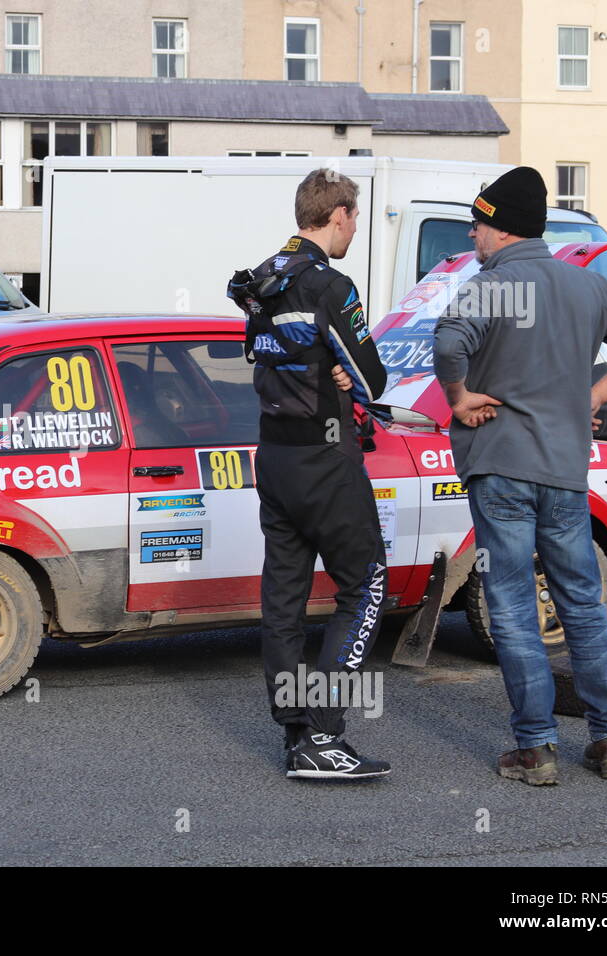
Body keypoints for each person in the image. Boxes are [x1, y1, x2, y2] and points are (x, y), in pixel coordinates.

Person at [433, 166, 607, 784]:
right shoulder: (587, 285)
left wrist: (460, 398)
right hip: (567, 470)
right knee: (584, 605)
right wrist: (596, 395)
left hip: (501, 466)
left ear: (501, 229)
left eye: (479, 224)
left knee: (514, 608)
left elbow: (447, 346)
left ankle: (537, 749)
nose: (473, 235)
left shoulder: (490, 286)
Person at [228, 168, 391, 780]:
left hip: (273, 457)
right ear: (340, 214)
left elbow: (264, 357)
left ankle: (297, 736)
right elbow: (372, 379)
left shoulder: (262, 278)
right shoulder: (329, 283)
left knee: (284, 601)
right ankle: (324, 734)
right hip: (326, 461)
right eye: (355, 218)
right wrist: (348, 377)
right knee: (366, 585)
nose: (355, 229)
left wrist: (329, 370)